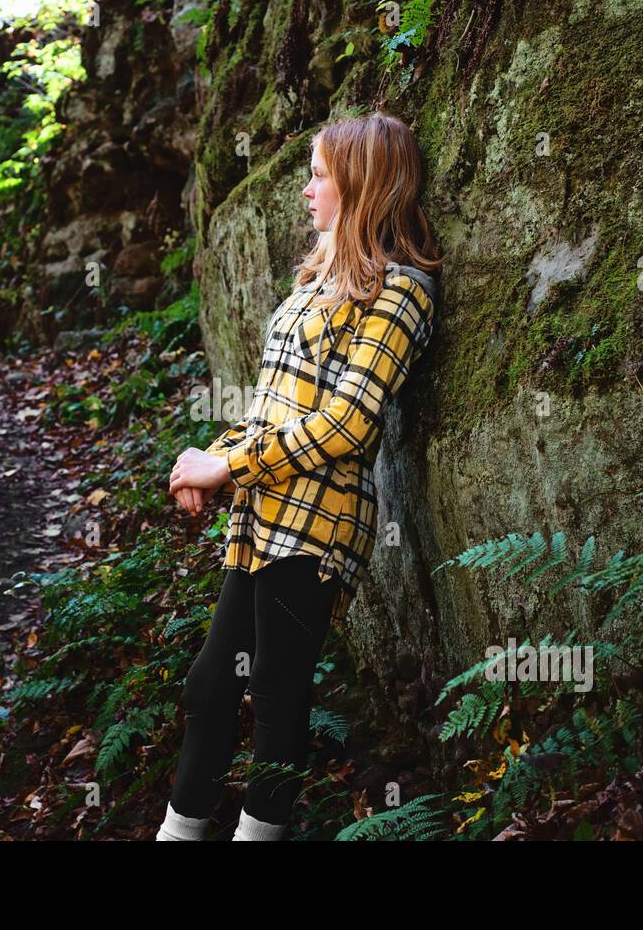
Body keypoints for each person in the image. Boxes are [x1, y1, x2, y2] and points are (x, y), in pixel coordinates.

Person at [159, 111, 442, 840]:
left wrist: (227, 465)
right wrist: (215, 462)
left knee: (278, 699)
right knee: (209, 690)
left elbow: (350, 423)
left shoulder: (402, 293)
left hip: (317, 526)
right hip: (261, 520)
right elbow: (275, 410)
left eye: (320, 175)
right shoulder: (315, 283)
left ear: (363, 184)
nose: (307, 189)